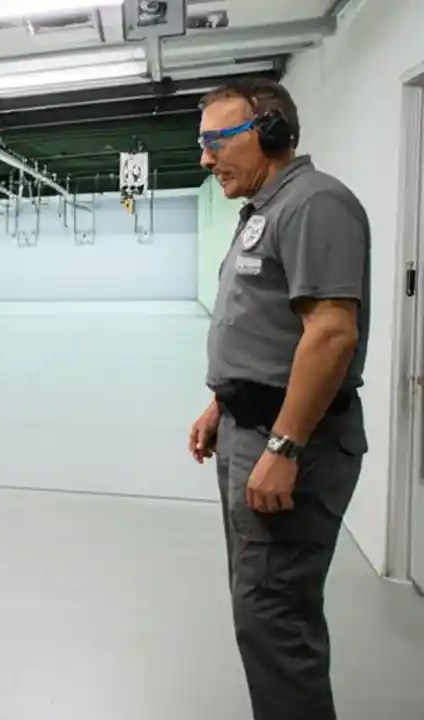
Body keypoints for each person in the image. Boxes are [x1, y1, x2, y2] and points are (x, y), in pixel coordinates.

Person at [188, 78, 371, 720]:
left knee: (274, 618)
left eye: (217, 141)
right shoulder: (266, 210)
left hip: (292, 443)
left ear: (269, 133)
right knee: (260, 611)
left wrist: (284, 446)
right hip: (251, 431)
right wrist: (223, 402)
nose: (206, 158)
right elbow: (268, 327)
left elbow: (331, 332)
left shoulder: (314, 204)